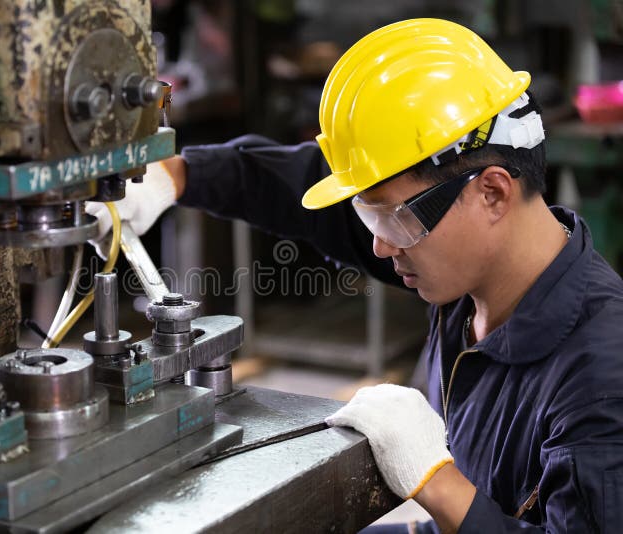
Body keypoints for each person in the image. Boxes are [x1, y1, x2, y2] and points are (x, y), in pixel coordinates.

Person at [87, 18, 623, 533]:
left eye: (396, 218)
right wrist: (175, 177)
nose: (380, 245)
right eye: (370, 215)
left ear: (493, 192)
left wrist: (439, 484)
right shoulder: (470, 267)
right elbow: (294, 186)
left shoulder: (601, 377)